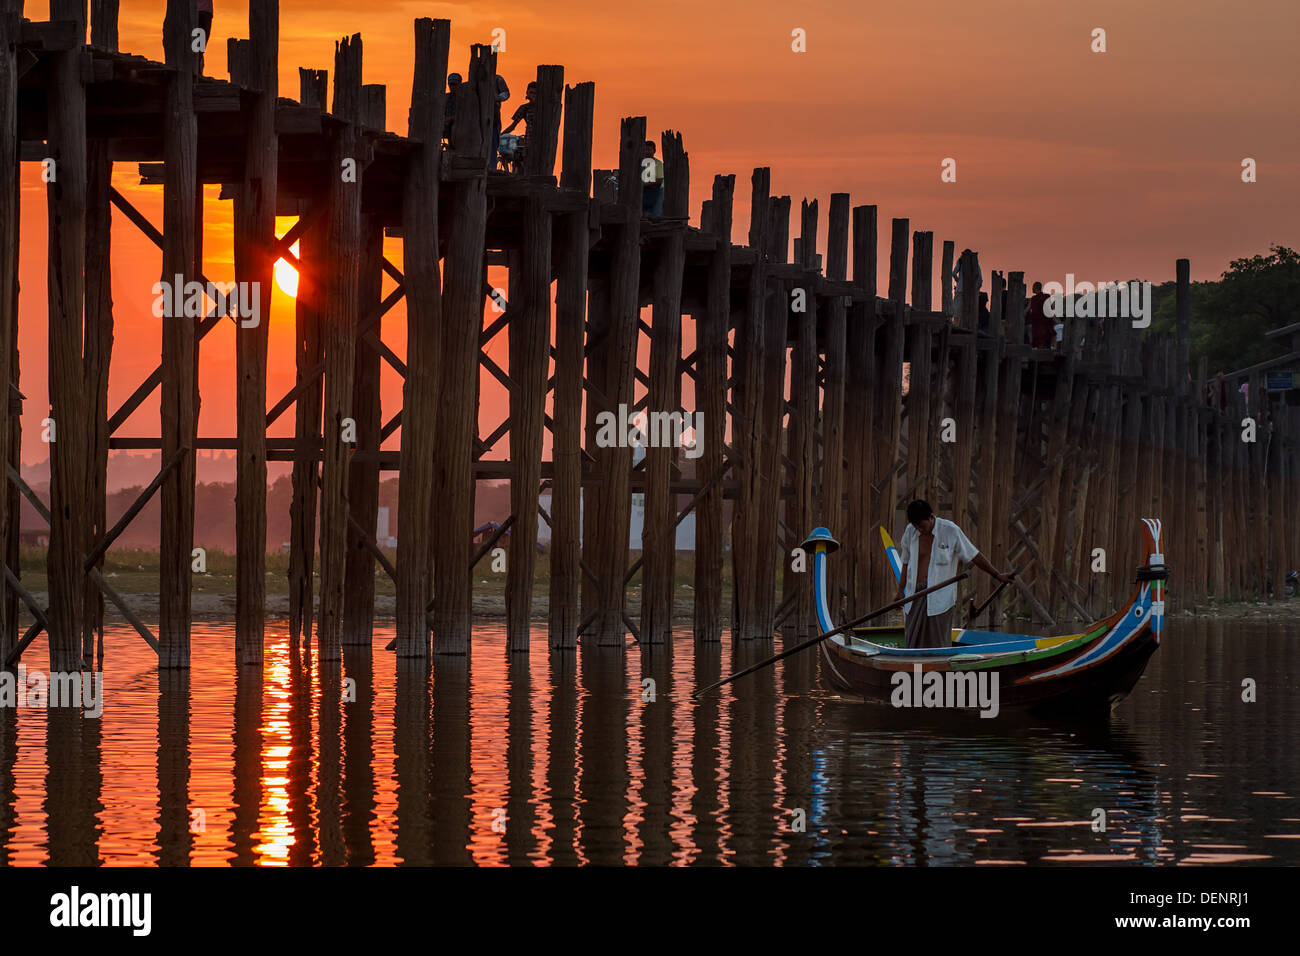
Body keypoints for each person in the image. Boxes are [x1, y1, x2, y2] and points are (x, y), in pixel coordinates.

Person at [895, 499, 1012, 649]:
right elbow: (905, 562)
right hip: (914, 596)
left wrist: (997, 574)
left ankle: (938, 669)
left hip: (939, 598)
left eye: (922, 526)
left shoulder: (950, 531)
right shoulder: (910, 531)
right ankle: (914, 668)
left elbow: (974, 555)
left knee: (937, 642)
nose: (919, 529)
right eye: (916, 526)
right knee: (913, 640)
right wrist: (900, 590)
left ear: (931, 517)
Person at [499, 82, 536, 173]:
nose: (532, 95)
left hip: (542, 140)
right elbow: (513, 126)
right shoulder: (524, 108)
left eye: (535, 93)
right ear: (527, 93)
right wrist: (500, 135)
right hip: (529, 139)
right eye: (531, 92)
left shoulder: (544, 107)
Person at [951, 249, 982, 316]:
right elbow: (980, 280)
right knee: (968, 312)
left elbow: (953, 273)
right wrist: (976, 289)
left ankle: (956, 325)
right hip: (971, 291)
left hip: (960, 290)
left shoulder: (960, 262)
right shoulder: (975, 265)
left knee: (957, 311)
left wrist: (958, 281)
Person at [641, 140, 665, 217]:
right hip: (643, 190)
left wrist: (644, 184)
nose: (647, 152)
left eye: (649, 150)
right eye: (645, 150)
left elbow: (659, 180)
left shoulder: (658, 164)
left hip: (656, 191)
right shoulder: (639, 162)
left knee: (655, 213)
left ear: (654, 151)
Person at [1026, 281, 1052, 348]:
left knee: (1036, 341)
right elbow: (1052, 307)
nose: (1032, 289)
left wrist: (1020, 315)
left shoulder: (1033, 299)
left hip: (1036, 323)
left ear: (1035, 288)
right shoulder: (1047, 296)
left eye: (1033, 288)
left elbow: (1028, 309)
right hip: (1046, 322)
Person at [493, 75, 510, 170]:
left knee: (494, 143)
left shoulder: (497, 79)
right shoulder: (476, 78)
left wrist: (496, 98)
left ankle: (492, 168)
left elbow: (506, 93)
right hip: (477, 118)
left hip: (494, 117)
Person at [443, 73, 462, 144]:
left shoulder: (464, 99)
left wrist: (451, 118)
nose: (452, 87)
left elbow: (464, 115)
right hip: (446, 124)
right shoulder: (445, 98)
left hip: (459, 125)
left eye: (455, 85)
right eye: (451, 85)